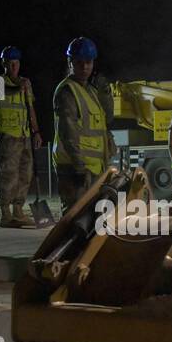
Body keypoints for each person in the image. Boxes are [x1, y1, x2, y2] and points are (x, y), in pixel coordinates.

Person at [52, 36, 114, 212]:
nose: (85, 67)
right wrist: (78, 166)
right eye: (80, 62)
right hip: (75, 169)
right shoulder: (67, 91)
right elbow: (68, 131)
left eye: (89, 62)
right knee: (74, 219)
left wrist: (105, 94)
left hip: (93, 169)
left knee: (90, 222)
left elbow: (106, 121)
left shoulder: (90, 91)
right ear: (70, 62)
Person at [0, 45, 42, 228]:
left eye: (16, 63)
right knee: (8, 175)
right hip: (7, 138)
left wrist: (36, 132)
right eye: (10, 63)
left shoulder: (25, 82)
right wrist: (17, 89)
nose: (14, 67)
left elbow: (31, 109)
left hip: (25, 136)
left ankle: (18, 211)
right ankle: (5, 214)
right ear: (4, 64)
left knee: (25, 174)